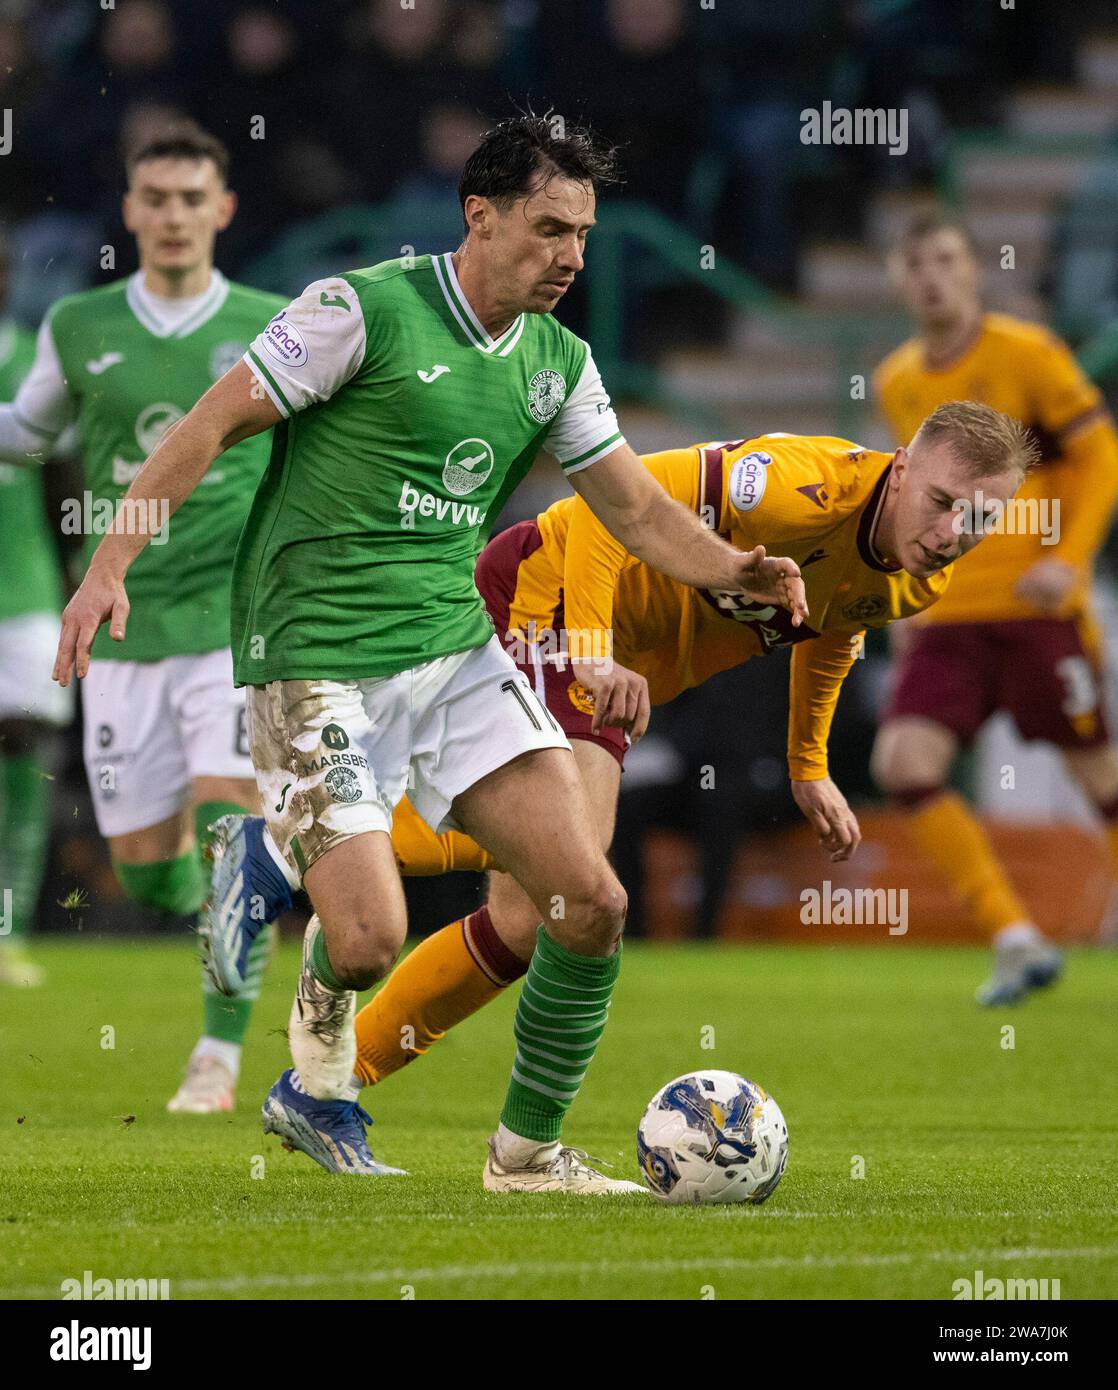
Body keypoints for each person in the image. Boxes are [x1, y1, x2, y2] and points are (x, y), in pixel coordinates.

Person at [53, 114, 808, 1192]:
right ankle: (295, 996)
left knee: (588, 902)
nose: (570, 257)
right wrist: (108, 565)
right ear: (479, 215)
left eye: (583, 235)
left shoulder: (557, 360)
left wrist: (732, 570)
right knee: (364, 939)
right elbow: (206, 427)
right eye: (549, 229)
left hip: (450, 652)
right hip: (309, 653)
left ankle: (526, 1157)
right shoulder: (358, 312)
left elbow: (636, 509)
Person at [202, 403, 1037, 1138]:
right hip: (551, 590)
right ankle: (506, 1140)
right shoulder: (790, 485)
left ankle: (321, 1051)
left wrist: (808, 767)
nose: (954, 531)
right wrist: (596, 656)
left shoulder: (920, 583)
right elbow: (606, 508)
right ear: (901, 471)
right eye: (941, 503)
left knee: (533, 915)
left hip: (616, 659)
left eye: (980, 519)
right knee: (577, 892)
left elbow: (835, 627)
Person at [0, 120, 287, 1104]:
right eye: (154, 199)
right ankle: (259, 887)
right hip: (119, 625)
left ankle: (218, 1055)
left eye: (189, 199)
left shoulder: (274, 321)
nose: (171, 216)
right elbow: (27, 436)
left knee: (226, 828)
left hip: (233, 621)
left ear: (223, 209)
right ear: (129, 210)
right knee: (149, 871)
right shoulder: (77, 326)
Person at [872, 213, 1118, 1004]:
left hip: (1034, 608)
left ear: (973, 270)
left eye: (946, 259)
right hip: (948, 613)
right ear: (898, 282)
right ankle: (1014, 937)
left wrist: (1069, 561)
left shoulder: (1027, 354)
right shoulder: (897, 380)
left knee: (1098, 775)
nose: (933, 277)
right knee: (903, 765)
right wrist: (901, 597)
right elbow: (910, 501)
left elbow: (1101, 453)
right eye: (918, 265)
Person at [0, 231, 72, 987]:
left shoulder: (33, 362)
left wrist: (83, 570)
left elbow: (65, 479)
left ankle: (8, 927)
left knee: (25, 742)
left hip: (23, 593)